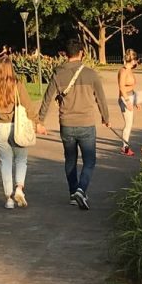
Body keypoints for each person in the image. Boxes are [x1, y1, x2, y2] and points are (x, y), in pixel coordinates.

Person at [37, 38, 110, 211]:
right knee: (89, 161)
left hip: (66, 123)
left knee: (70, 159)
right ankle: (81, 189)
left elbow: (47, 99)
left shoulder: (58, 73)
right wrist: (105, 117)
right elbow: (101, 98)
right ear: (82, 53)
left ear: (65, 54)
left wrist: (40, 121)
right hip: (86, 123)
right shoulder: (91, 74)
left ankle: (72, 192)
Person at [0, 57, 31, 210]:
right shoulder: (17, 84)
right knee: (21, 159)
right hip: (17, 125)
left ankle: (8, 198)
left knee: (5, 162)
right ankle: (19, 187)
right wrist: (37, 121)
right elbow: (28, 105)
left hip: (0, 127)